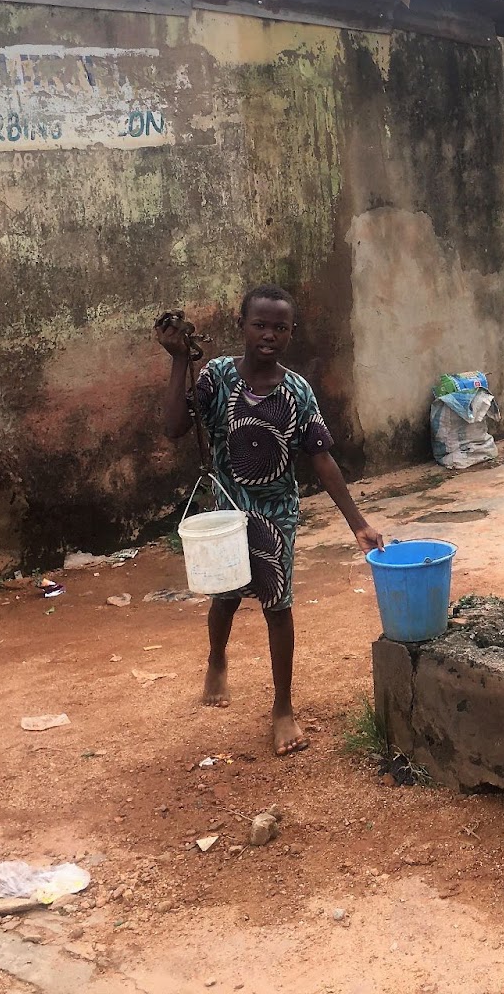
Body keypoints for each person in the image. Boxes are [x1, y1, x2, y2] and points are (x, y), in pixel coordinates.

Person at [157, 284, 384, 757]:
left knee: (277, 606)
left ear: (291, 333)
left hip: (276, 513)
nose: (269, 335)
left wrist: (357, 522)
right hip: (225, 508)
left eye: (280, 327)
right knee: (224, 598)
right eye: (259, 324)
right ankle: (217, 658)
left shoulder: (297, 390)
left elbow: (321, 459)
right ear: (242, 325)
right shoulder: (217, 376)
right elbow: (174, 428)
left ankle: (282, 708)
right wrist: (179, 359)